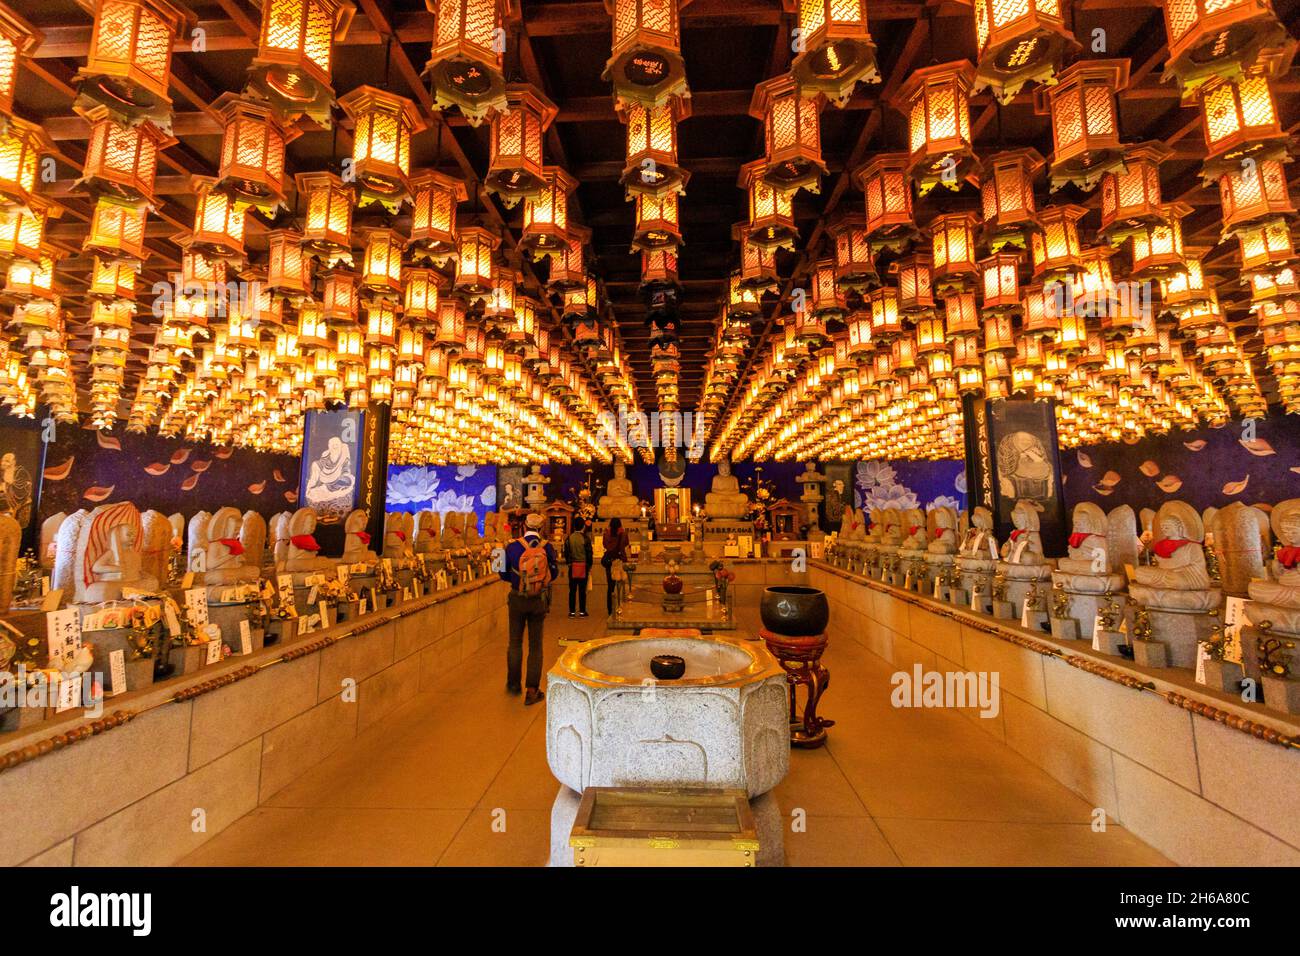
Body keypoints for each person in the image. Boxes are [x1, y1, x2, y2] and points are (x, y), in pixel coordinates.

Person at [498, 512, 557, 706]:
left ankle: (513, 684)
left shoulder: (513, 546)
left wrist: (520, 580)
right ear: (541, 528)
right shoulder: (547, 547)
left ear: (524, 527)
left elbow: (503, 574)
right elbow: (554, 573)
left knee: (514, 642)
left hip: (517, 598)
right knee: (535, 645)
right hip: (538, 600)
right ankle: (532, 690)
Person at [565, 516, 593, 618]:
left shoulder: (569, 538)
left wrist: (569, 563)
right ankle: (582, 611)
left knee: (572, 590)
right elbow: (589, 553)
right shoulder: (585, 538)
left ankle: (572, 612)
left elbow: (566, 552)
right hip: (583, 566)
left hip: (572, 566)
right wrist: (589, 565)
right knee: (582, 590)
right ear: (583, 526)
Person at [602, 516, 630, 616]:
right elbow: (626, 544)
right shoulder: (623, 534)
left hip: (610, 561)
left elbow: (604, 545)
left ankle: (610, 609)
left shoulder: (606, 534)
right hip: (619, 560)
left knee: (610, 586)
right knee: (621, 585)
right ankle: (620, 606)